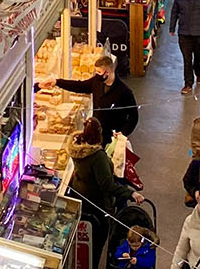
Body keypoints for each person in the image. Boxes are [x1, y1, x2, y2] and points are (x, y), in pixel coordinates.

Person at [68, 117, 145, 268]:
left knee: (85, 247)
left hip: (83, 202)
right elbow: (107, 185)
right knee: (96, 246)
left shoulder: (78, 151)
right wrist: (131, 193)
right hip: (98, 207)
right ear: (99, 134)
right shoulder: (97, 157)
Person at [42, 54, 139, 137]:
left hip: (112, 136)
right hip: (96, 133)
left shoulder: (124, 92)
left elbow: (133, 116)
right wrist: (57, 82)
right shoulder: (96, 82)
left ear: (108, 73)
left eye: (99, 72)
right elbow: (79, 86)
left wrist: (123, 132)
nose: (97, 74)